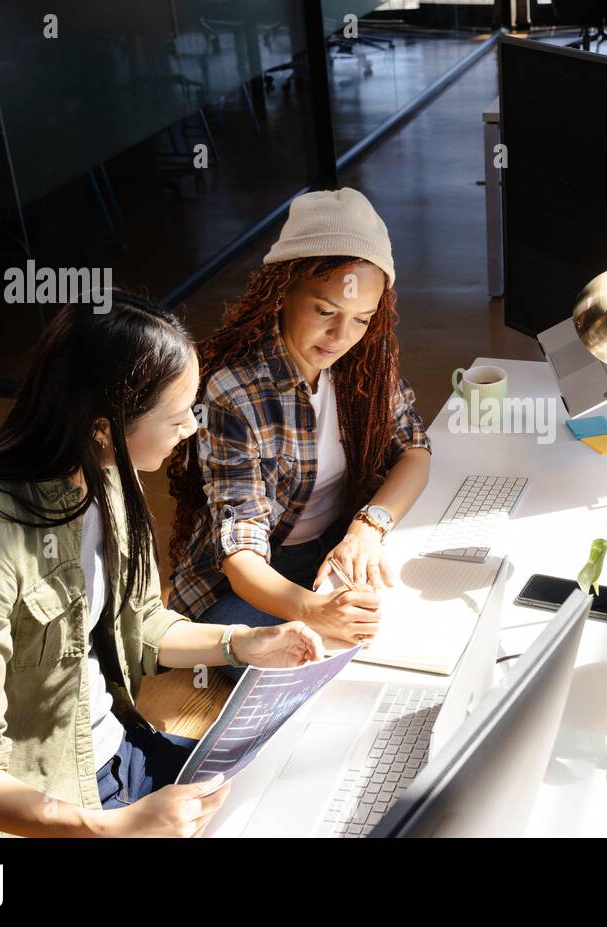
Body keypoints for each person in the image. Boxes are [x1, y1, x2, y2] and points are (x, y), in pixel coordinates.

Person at [0, 294, 323, 837]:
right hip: (60, 807)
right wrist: (115, 828)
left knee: (291, 786)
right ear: (104, 426)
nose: (192, 430)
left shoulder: (106, 480)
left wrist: (240, 643)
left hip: (119, 754)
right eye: (177, 417)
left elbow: (140, 622)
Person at [167, 189, 431, 675]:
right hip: (253, 577)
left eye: (361, 319)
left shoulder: (366, 361)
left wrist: (366, 529)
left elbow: (414, 450)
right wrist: (312, 610)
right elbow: (241, 552)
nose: (340, 337)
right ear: (282, 290)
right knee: (267, 659)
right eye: (325, 311)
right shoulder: (233, 391)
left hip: (333, 546)